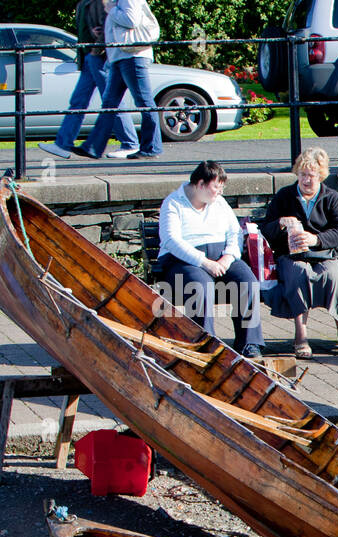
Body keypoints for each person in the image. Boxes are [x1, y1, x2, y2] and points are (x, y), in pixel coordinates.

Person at [157, 161, 264, 359]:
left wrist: (228, 256)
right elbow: (171, 240)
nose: (219, 193)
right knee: (200, 286)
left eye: (221, 188)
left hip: (221, 258)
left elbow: (235, 233)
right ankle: (206, 344)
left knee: (247, 281)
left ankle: (249, 344)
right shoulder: (173, 203)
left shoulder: (219, 203)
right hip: (185, 261)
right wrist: (205, 262)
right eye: (216, 187)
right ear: (200, 184)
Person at [261, 148, 338, 359]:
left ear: (320, 176)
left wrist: (317, 239)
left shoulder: (331, 197)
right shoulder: (285, 196)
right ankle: (301, 335)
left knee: (335, 274)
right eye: (302, 174)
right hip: (292, 256)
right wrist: (280, 224)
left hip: (324, 254)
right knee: (297, 273)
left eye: (311, 176)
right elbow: (265, 229)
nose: (306, 180)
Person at [40, 0, 136, 159]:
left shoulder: (99, 1)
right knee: (79, 101)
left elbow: (107, 27)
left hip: (97, 56)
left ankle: (130, 143)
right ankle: (63, 143)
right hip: (89, 57)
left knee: (111, 100)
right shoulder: (84, 3)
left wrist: (96, 50)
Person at [72, 0, 162, 160]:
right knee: (109, 103)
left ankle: (151, 147)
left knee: (144, 101)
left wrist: (111, 9)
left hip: (132, 56)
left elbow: (131, 20)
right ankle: (92, 147)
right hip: (119, 57)